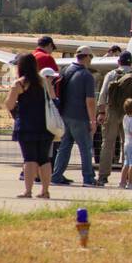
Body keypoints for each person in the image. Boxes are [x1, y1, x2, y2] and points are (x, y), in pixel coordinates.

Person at [7, 53, 56, 198]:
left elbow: (9, 104)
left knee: (29, 159)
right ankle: (45, 190)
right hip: (45, 125)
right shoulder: (44, 81)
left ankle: (28, 191)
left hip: (27, 126)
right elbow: (54, 99)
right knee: (44, 159)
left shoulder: (19, 84)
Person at [95, 51, 132, 186]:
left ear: (119, 62)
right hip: (130, 114)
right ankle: (127, 178)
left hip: (112, 111)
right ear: (131, 63)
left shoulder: (111, 74)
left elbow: (103, 94)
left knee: (107, 144)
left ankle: (103, 176)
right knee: (127, 144)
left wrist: (101, 112)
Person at [50, 46, 98, 186]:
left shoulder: (66, 70)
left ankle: (57, 175)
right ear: (87, 57)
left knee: (64, 147)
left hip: (65, 115)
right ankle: (88, 178)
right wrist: (93, 120)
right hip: (80, 117)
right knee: (85, 149)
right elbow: (90, 101)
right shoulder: (86, 75)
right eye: (91, 57)